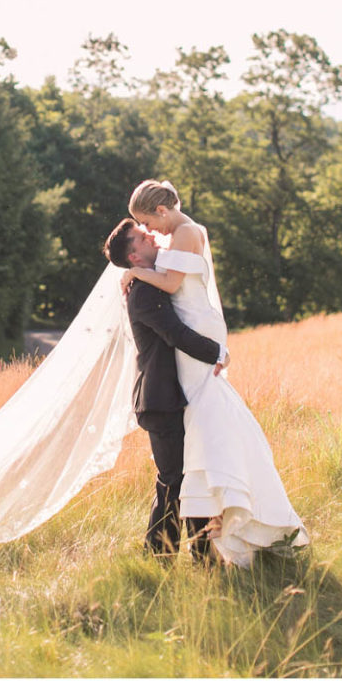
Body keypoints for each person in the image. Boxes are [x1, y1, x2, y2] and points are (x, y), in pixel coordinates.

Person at [119, 178, 309, 568]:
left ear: (161, 211)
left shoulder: (184, 234)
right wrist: (136, 275)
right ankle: (196, 548)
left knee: (195, 455)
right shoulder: (177, 239)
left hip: (196, 347)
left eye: (148, 225)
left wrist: (136, 274)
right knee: (191, 460)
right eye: (144, 234)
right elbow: (172, 317)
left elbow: (172, 283)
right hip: (182, 364)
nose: (152, 234)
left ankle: (204, 547)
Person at [103, 217, 227, 561]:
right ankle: (159, 557)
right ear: (134, 257)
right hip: (159, 400)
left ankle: (200, 556)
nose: (153, 237)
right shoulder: (143, 294)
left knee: (186, 478)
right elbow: (175, 334)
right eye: (143, 238)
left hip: (174, 396)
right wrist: (216, 352)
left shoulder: (152, 283)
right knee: (174, 481)